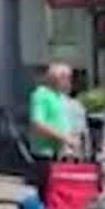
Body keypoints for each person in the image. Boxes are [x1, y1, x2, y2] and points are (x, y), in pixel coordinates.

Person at [26, 63, 75, 201]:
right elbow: (37, 123)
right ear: (55, 79)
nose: (69, 82)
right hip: (45, 151)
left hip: (61, 152)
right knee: (46, 190)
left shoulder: (59, 96)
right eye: (66, 78)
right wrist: (63, 137)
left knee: (59, 191)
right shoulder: (40, 95)